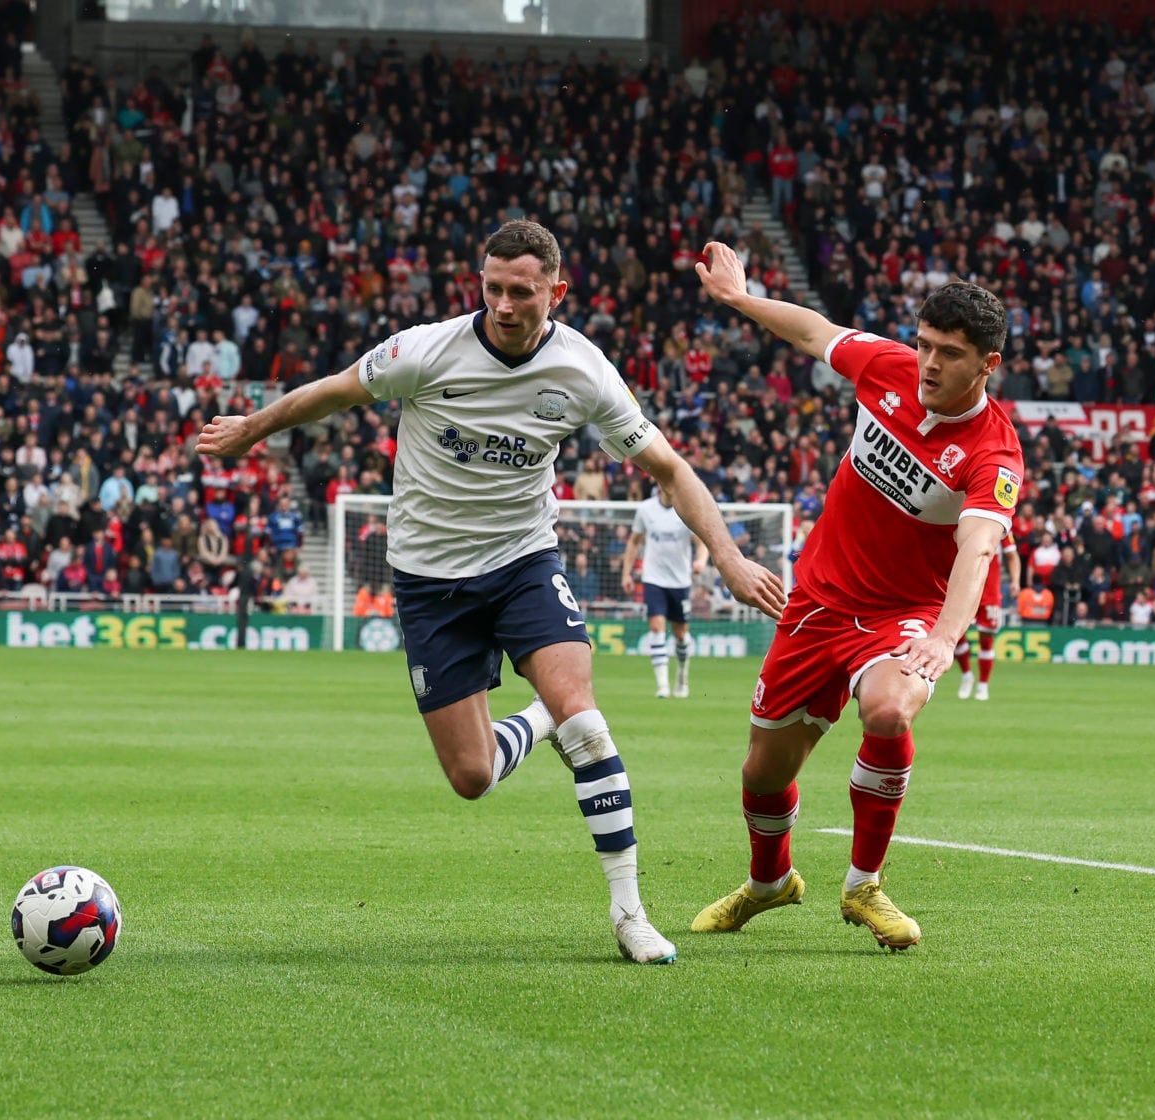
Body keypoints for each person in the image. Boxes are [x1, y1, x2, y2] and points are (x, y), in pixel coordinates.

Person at [200, 220, 785, 965]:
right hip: (428, 580)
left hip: (523, 564)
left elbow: (670, 470)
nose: (505, 305)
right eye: (494, 288)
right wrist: (253, 429)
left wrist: (728, 557)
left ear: (556, 292)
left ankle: (631, 913)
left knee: (588, 720)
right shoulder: (427, 350)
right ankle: (541, 717)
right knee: (472, 776)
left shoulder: (584, 372)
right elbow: (336, 391)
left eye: (522, 291)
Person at [688, 240, 1024, 951]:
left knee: (890, 706)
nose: (930, 363)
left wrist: (942, 638)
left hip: (900, 617)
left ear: (987, 365)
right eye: (926, 344)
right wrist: (739, 297)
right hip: (815, 602)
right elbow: (813, 331)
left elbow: (978, 549)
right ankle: (770, 882)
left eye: (951, 354)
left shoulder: (993, 452)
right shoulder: (888, 368)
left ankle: (863, 884)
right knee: (763, 771)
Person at [621, 485, 710, 698]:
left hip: (680, 581)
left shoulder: (687, 510)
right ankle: (662, 686)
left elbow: (702, 542)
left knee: (680, 634)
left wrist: (700, 561)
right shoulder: (646, 509)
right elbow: (634, 542)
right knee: (656, 627)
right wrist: (626, 573)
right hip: (653, 579)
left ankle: (681, 674)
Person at [954, 531, 1021, 701]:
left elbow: (1012, 555)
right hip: (964, 589)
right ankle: (967, 675)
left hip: (989, 592)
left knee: (986, 640)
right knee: (956, 636)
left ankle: (983, 685)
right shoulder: (962, 521)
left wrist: (1015, 581)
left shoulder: (1000, 526)